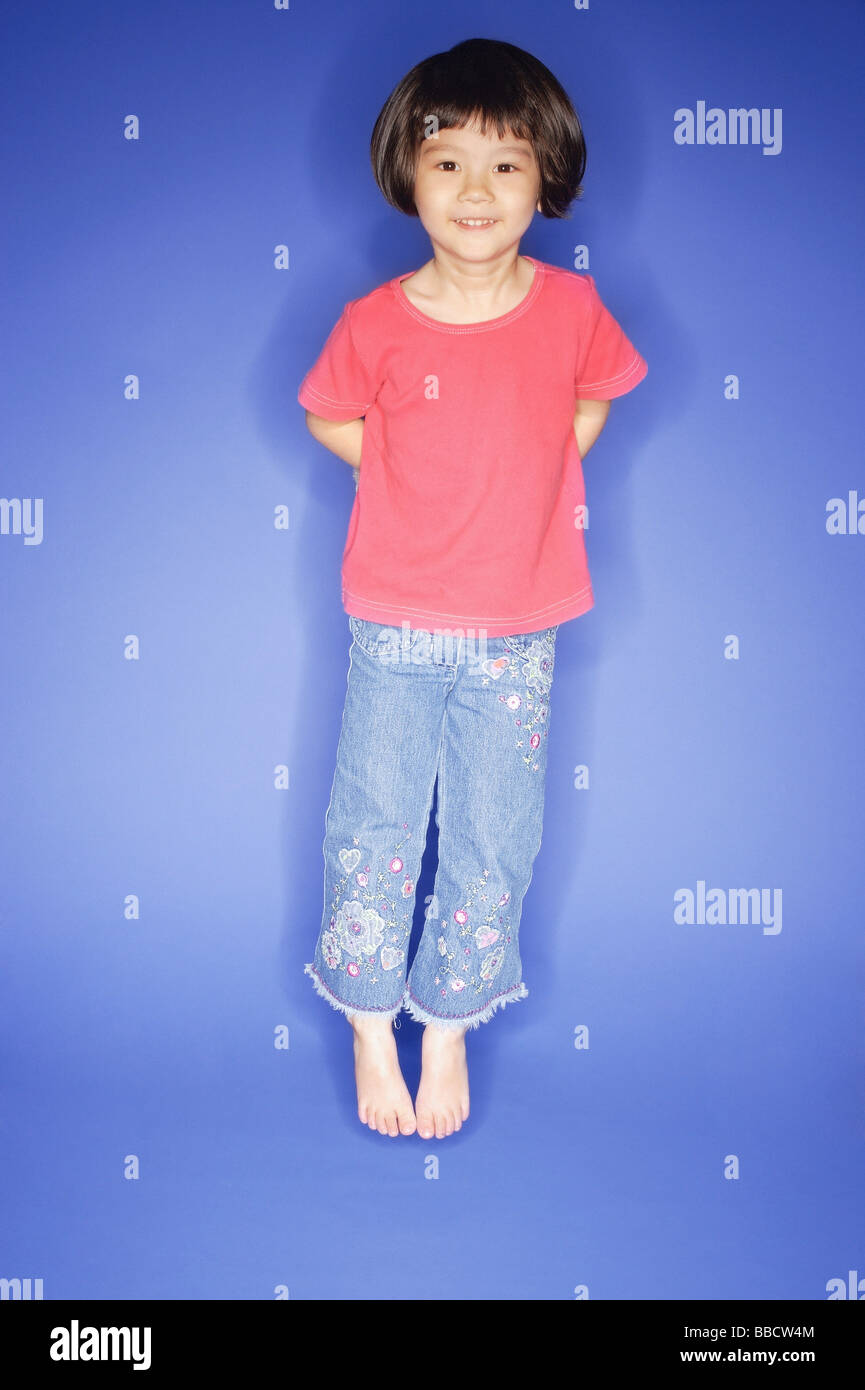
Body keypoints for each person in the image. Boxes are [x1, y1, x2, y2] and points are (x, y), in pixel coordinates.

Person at [297, 37, 648, 1142]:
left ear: (548, 177)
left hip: (517, 630)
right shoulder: (374, 321)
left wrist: (544, 468)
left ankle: (446, 1017)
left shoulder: (570, 311)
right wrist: (403, 473)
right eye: (447, 163)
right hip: (395, 623)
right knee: (375, 824)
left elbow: (590, 401)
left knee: (497, 835)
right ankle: (366, 1017)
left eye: (505, 163)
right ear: (407, 173)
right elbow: (327, 415)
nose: (476, 190)